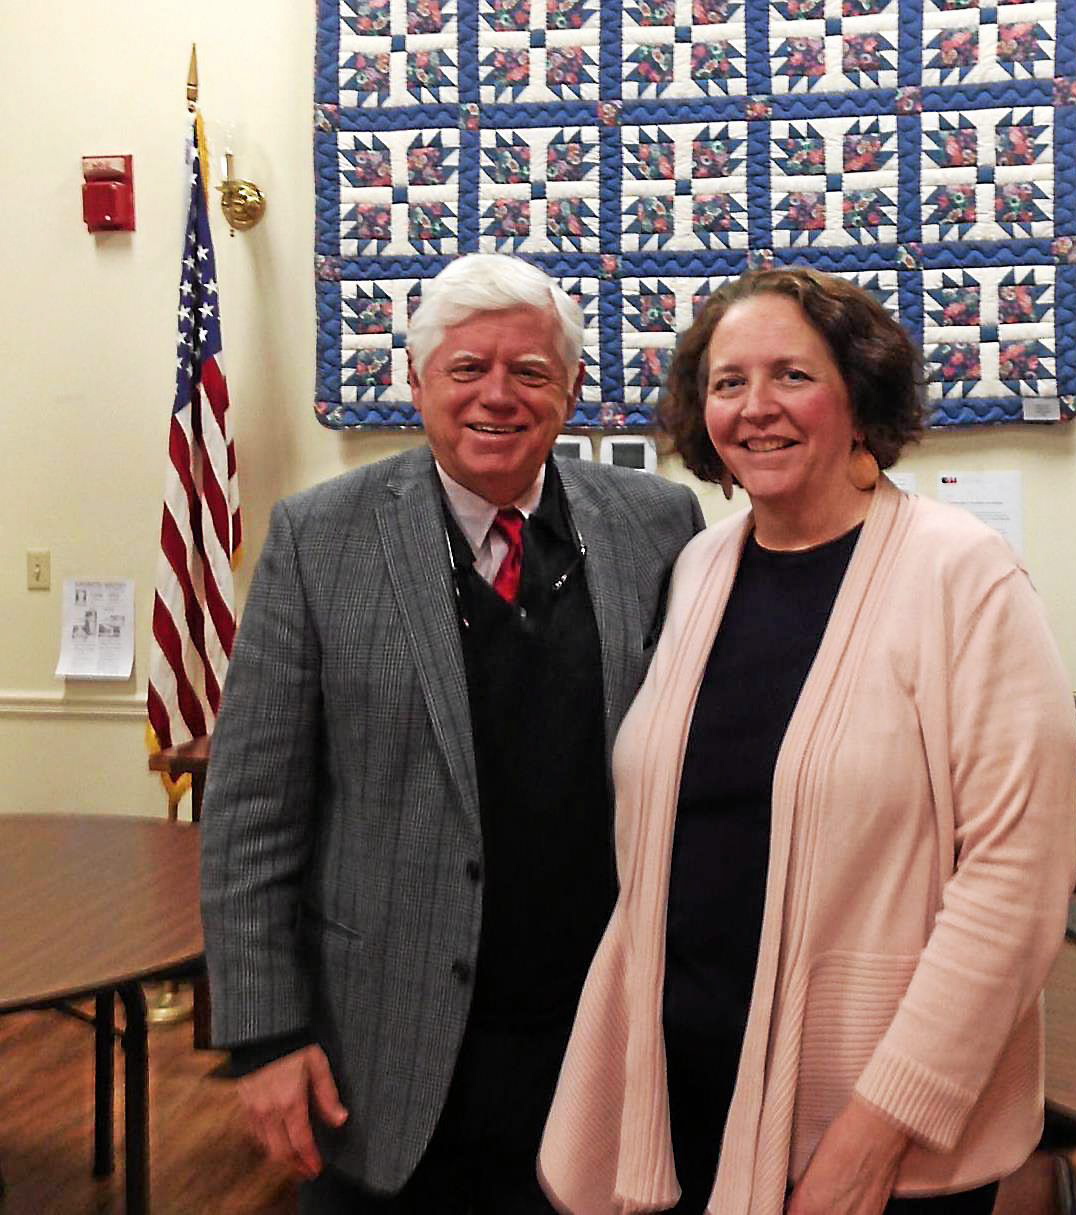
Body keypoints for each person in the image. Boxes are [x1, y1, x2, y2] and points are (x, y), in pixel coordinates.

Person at [539, 266, 1076, 1215]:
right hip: (684, 1089)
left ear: (858, 398)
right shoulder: (701, 567)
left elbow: (1015, 880)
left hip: (871, 1118)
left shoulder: (963, 573)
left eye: (792, 375)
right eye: (728, 382)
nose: (756, 409)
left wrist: (877, 1132)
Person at [200, 252, 703, 1213]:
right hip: (386, 1043)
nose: (497, 397)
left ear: (573, 390)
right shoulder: (320, 537)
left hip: (603, 1029)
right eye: (467, 368)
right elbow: (251, 812)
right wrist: (264, 1036)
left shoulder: (659, 523)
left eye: (530, 371)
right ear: (416, 381)